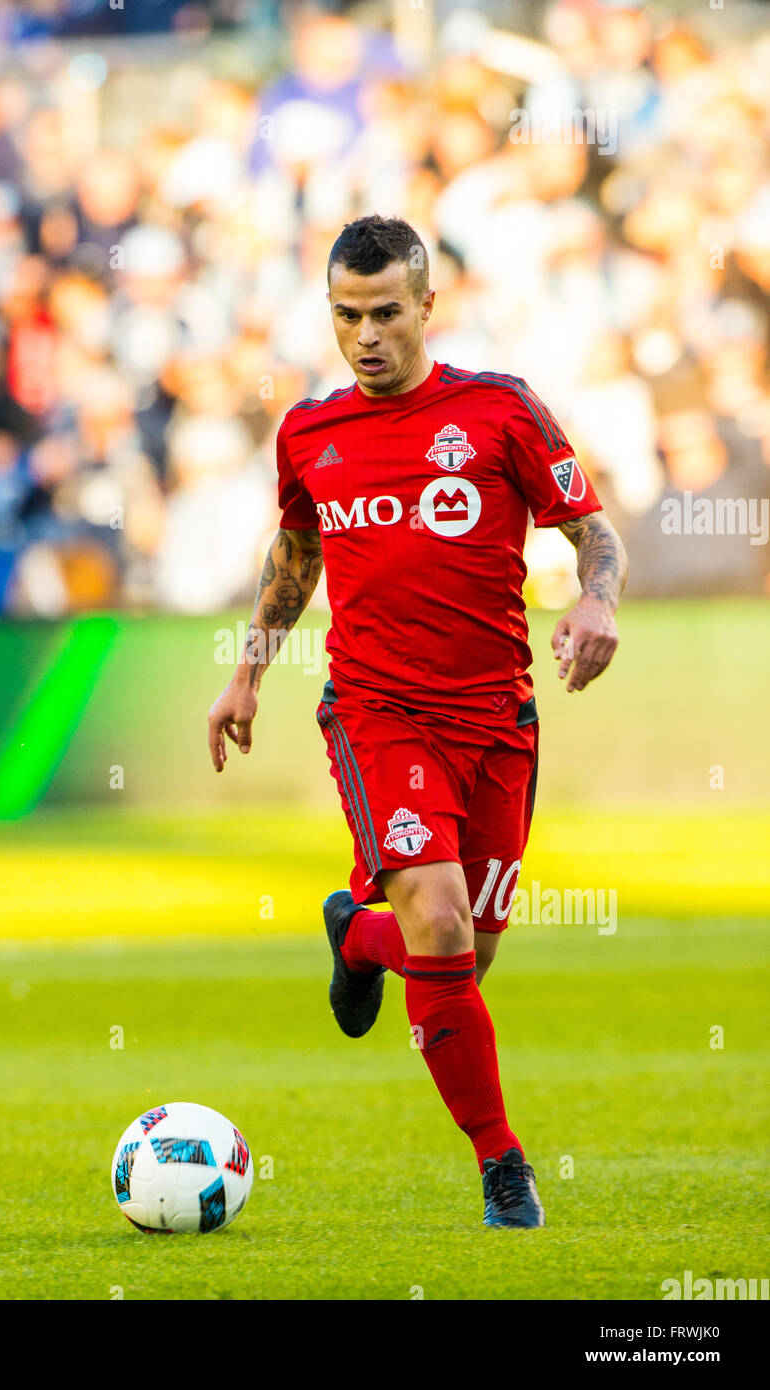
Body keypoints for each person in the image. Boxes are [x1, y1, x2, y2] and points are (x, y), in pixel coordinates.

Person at [207, 215, 628, 1228]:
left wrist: (596, 599)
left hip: (497, 720)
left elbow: (590, 530)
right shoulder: (308, 431)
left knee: (463, 958)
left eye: (385, 311)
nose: (365, 334)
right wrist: (247, 671)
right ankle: (502, 1166)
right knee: (437, 920)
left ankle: (356, 939)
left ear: (425, 305)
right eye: (346, 314)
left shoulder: (497, 413)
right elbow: (294, 556)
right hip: (375, 711)